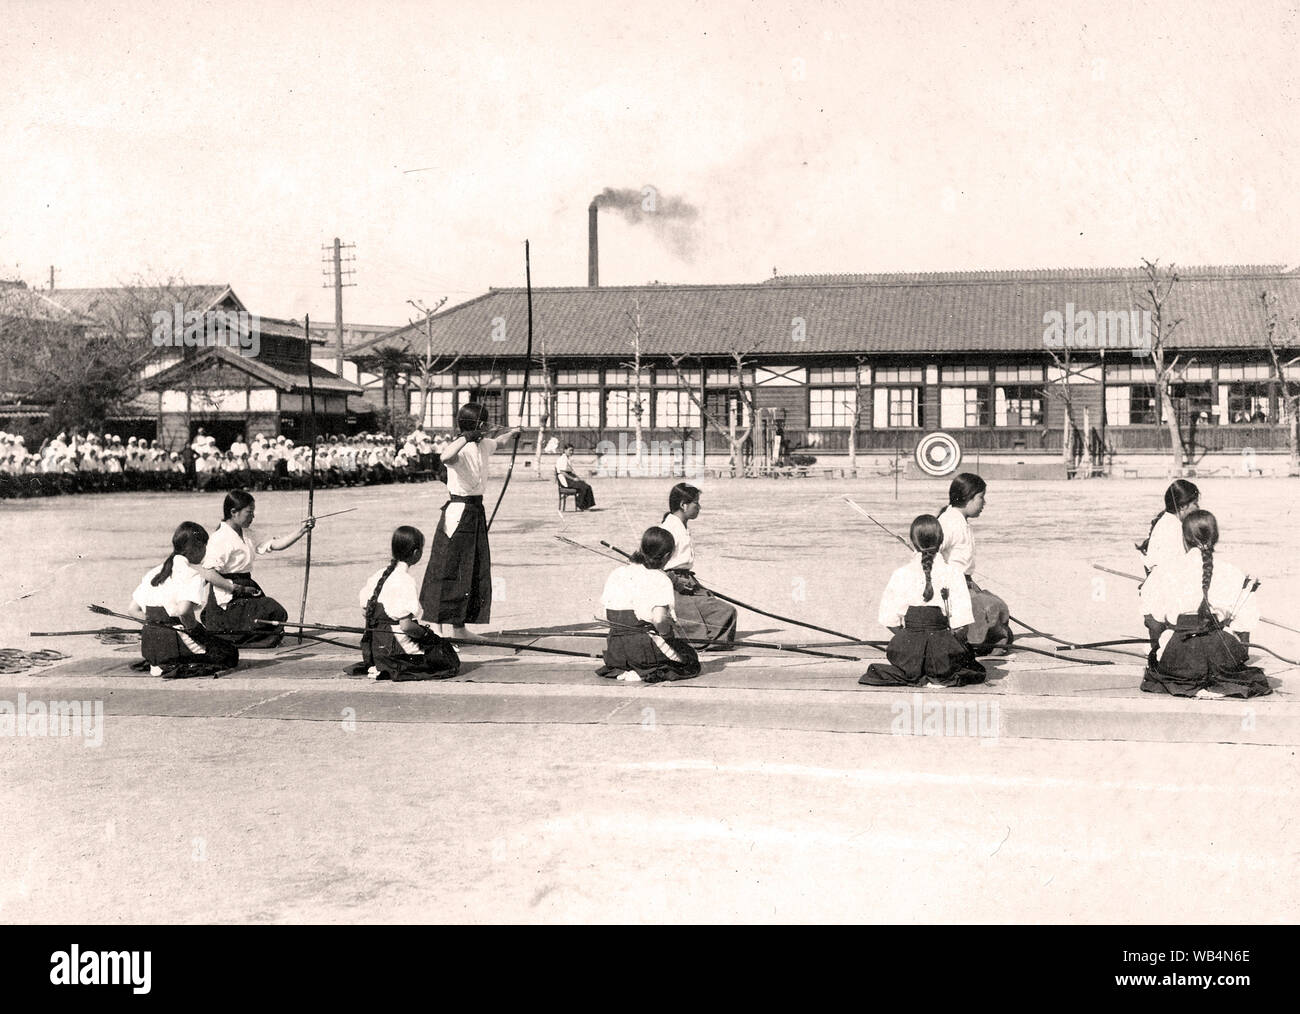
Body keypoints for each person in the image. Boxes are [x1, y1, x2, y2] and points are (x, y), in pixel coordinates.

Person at [1139, 509, 1271, 699]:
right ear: (1216, 538)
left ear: (1184, 539)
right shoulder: (1232, 572)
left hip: (1179, 659)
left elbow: (1153, 621)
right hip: (1222, 657)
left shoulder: (1165, 571)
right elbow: (1245, 625)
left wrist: (1160, 651)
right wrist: (1235, 662)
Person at [417, 402, 519, 639]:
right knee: (447, 568)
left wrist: (513, 433)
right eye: (482, 424)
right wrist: (466, 437)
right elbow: (445, 456)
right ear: (476, 426)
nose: (485, 428)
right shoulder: (459, 448)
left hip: (475, 511)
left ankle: (459, 628)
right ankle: (436, 628)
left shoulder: (484, 444)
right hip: (458, 510)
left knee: (472, 568)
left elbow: (500, 442)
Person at [860, 515, 986, 687]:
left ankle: (917, 670)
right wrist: (943, 640)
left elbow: (888, 620)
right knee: (974, 666)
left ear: (913, 542)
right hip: (943, 656)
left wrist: (913, 639)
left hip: (907, 655)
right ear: (941, 541)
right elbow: (962, 626)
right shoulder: (954, 574)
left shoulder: (901, 573)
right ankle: (935, 672)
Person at [200, 489, 313, 648]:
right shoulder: (220, 538)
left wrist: (301, 531)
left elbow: (274, 545)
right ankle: (234, 636)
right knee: (274, 611)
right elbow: (209, 573)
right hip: (228, 596)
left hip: (246, 588)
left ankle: (246, 637)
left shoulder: (248, 533)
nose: (253, 517)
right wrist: (235, 588)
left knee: (274, 618)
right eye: (249, 512)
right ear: (234, 512)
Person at [127, 522, 239, 677]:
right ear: (198, 546)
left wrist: (156, 624)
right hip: (175, 642)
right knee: (229, 653)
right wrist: (199, 632)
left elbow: (132, 610)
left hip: (150, 646)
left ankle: (161, 662)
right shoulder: (192, 574)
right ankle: (176, 662)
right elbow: (184, 611)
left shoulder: (154, 572)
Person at [352, 526, 461, 681]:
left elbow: (365, 612)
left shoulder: (378, 574)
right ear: (416, 553)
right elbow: (406, 626)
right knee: (448, 660)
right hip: (396, 649)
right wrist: (428, 636)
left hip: (375, 649)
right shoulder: (406, 581)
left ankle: (382, 664)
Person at [597, 526, 701, 683]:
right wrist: (668, 635)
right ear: (667, 555)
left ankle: (629, 668)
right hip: (644, 649)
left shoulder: (617, 572)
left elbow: (603, 614)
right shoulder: (660, 578)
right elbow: (659, 620)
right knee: (690, 660)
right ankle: (645, 671)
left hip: (615, 651)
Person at [938, 472, 1011, 653]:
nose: (984, 503)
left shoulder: (959, 520)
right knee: (988, 609)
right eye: (981, 497)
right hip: (951, 587)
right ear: (967, 497)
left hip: (964, 584)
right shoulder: (948, 522)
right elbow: (932, 555)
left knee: (997, 606)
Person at [658, 483, 737, 649]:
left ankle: (709, 641)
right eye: (696, 503)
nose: (699, 507)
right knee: (696, 631)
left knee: (727, 612)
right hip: (673, 587)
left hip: (687, 584)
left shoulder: (681, 526)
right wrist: (675, 581)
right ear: (683, 505)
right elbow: (656, 566)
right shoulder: (668, 529)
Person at [555, 443, 596, 510]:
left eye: (572, 451)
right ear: (565, 450)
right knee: (584, 487)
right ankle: (580, 505)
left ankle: (585, 505)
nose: (571, 452)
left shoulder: (568, 459)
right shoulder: (562, 459)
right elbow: (563, 472)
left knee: (587, 486)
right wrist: (573, 479)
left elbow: (571, 471)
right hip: (566, 479)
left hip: (570, 477)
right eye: (570, 450)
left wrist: (579, 479)